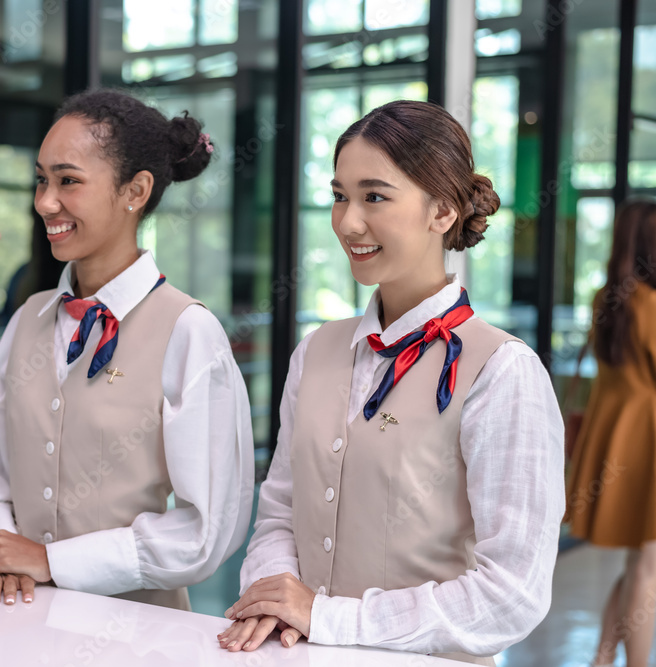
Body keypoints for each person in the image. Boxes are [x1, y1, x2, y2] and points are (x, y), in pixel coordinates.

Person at [217, 100, 566, 664]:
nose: (348, 222)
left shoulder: (502, 371)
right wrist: (273, 596)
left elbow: (512, 594)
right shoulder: (315, 352)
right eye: (339, 196)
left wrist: (328, 617)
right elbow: (280, 512)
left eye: (374, 197)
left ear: (443, 211)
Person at [0, 88, 254, 610]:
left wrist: (51, 561)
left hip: (137, 632)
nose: (45, 202)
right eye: (41, 180)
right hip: (16, 621)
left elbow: (205, 531)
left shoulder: (187, 332)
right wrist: (3, 546)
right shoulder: (27, 321)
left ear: (135, 190)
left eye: (68, 181)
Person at [566, 199, 656, 667]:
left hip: (621, 438)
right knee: (648, 565)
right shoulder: (651, 304)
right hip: (649, 442)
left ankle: (603, 657)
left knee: (640, 562)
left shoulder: (608, 298)